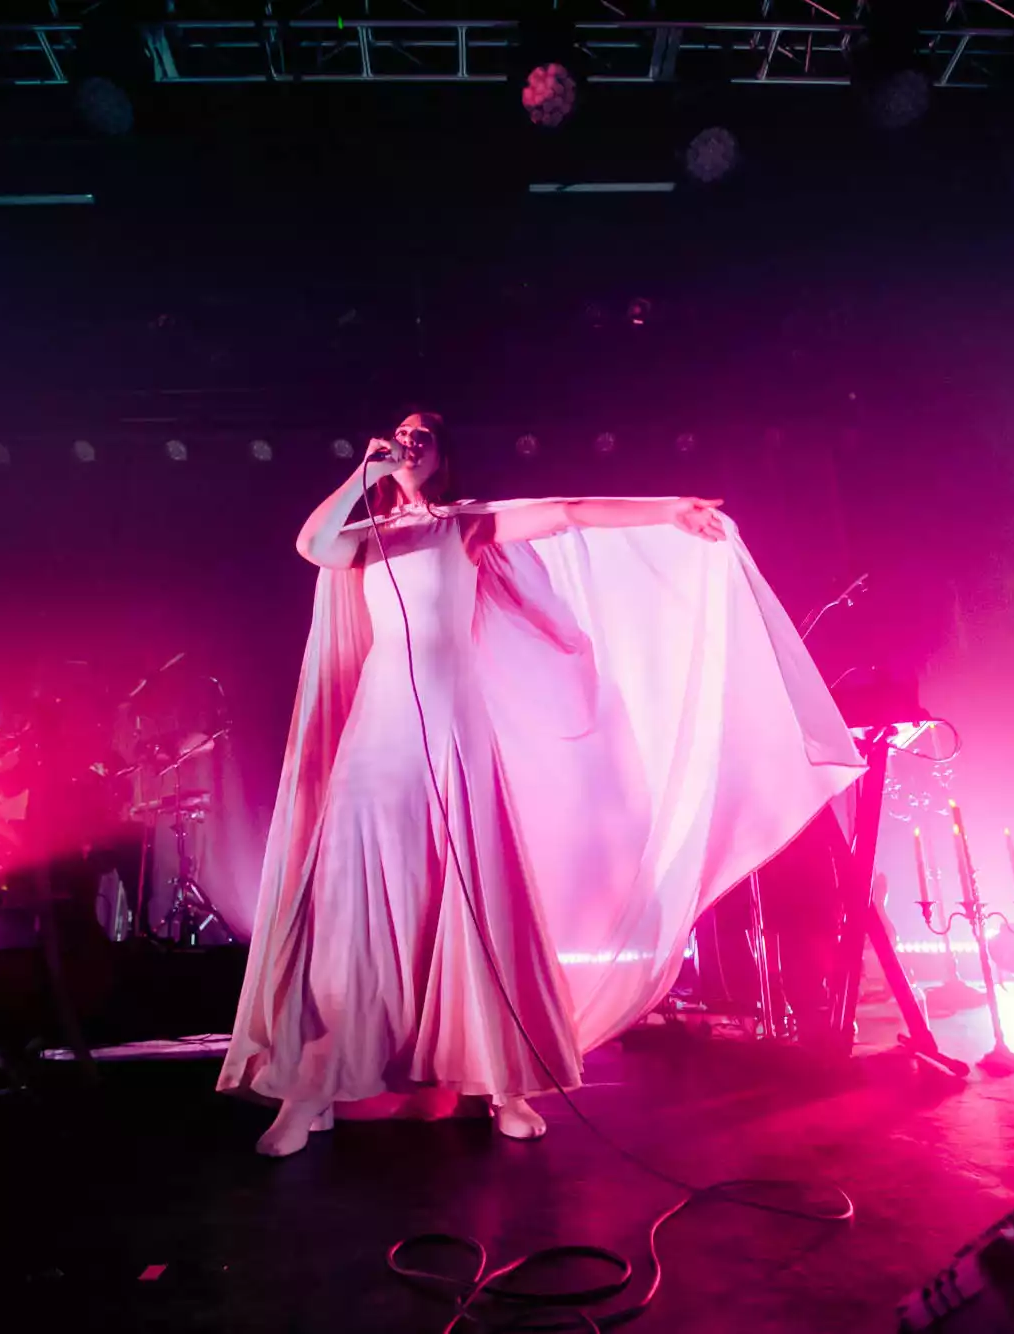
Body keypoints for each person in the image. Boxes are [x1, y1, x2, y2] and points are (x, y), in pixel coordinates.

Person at [219, 412, 866, 1156]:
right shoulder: (366, 539)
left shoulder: (467, 526)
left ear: (446, 456)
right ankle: (314, 1087)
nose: (412, 439)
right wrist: (365, 474)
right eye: (404, 430)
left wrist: (670, 510)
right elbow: (311, 545)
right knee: (353, 895)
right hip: (378, 730)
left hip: (453, 726)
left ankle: (504, 1081)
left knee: (477, 893)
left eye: (427, 433)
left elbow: (567, 513)